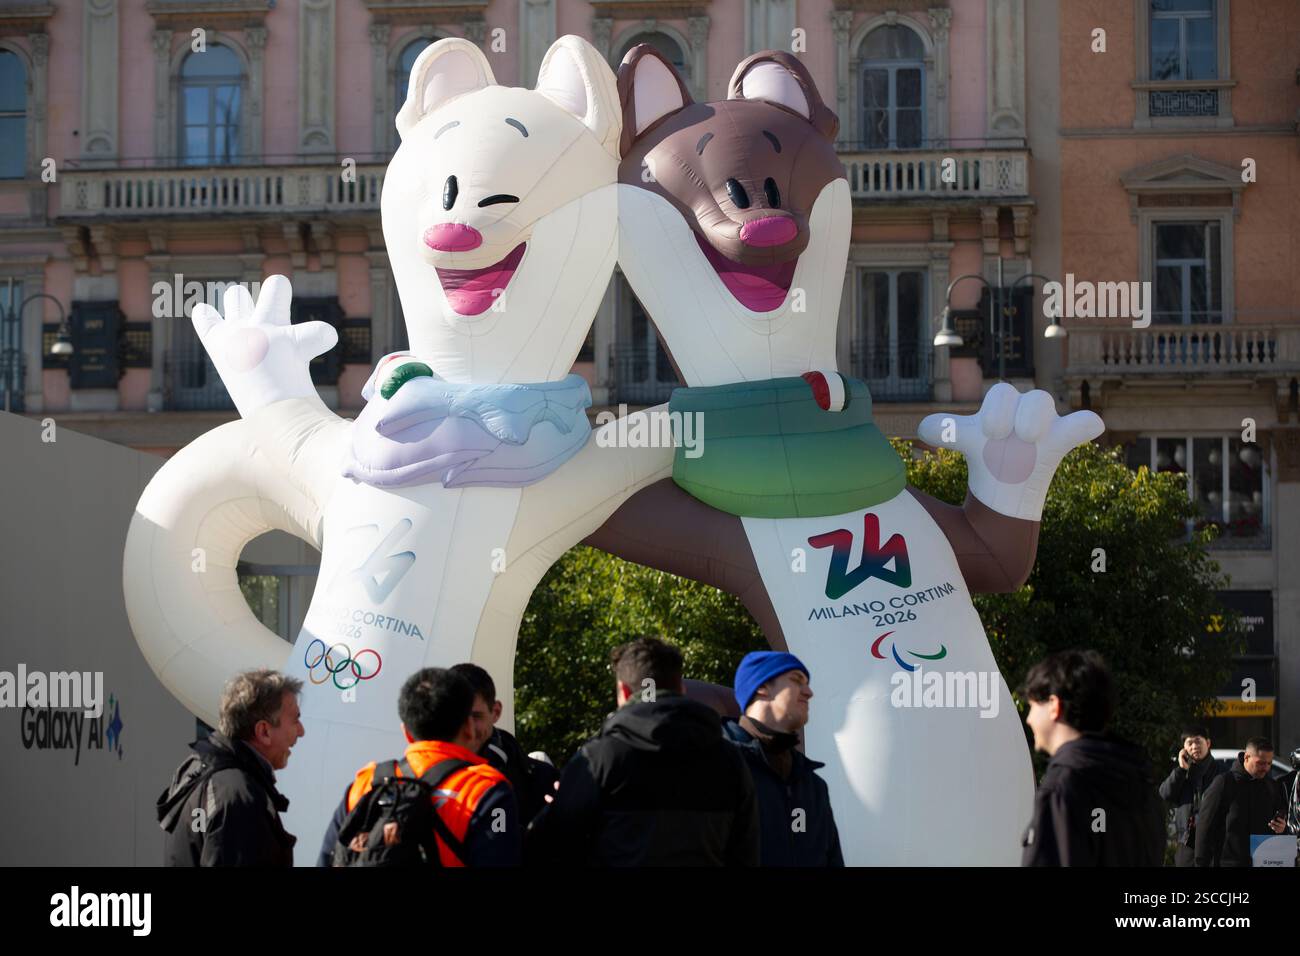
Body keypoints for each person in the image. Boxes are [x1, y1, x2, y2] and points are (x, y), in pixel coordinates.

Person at [526, 636, 760, 866]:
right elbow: (746, 853)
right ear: (681, 688)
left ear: (624, 692)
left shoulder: (598, 758)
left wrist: (563, 803)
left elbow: (548, 848)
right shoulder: (730, 759)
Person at [317, 667, 520, 866]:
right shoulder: (487, 790)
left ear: (407, 732)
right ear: (468, 727)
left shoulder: (365, 784)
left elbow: (327, 859)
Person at [1019, 650, 1165, 866]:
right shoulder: (1140, 780)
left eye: (1032, 706)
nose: (1029, 719)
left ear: (1054, 706)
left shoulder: (1063, 786)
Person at [157, 669, 304, 866]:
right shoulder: (237, 795)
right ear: (264, 731)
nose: (301, 731)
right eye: (295, 720)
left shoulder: (202, 774)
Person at [721, 651, 842, 866]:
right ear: (762, 686)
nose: (809, 692)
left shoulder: (813, 786)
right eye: (796, 680)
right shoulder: (713, 764)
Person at [450, 662, 552, 824]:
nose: (468, 728)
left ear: (495, 711)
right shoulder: (421, 779)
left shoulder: (542, 780)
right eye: (458, 717)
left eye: (476, 717)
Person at [1194, 737, 1288, 867]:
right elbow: (1205, 827)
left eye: (1269, 763)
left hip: (1264, 862)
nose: (1266, 768)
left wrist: (1282, 827)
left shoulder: (1271, 786)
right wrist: (1201, 863)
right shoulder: (1224, 783)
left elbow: (1282, 821)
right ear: (1247, 757)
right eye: (1260, 763)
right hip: (1228, 862)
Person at [1157, 725, 1223, 867]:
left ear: (1208, 743)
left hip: (1214, 840)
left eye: (1198, 741)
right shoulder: (1182, 772)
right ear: (1184, 748)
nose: (1194, 747)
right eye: (1189, 743)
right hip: (1187, 840)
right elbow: (1164, 794)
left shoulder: (1221, 772)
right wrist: (1181, 770)